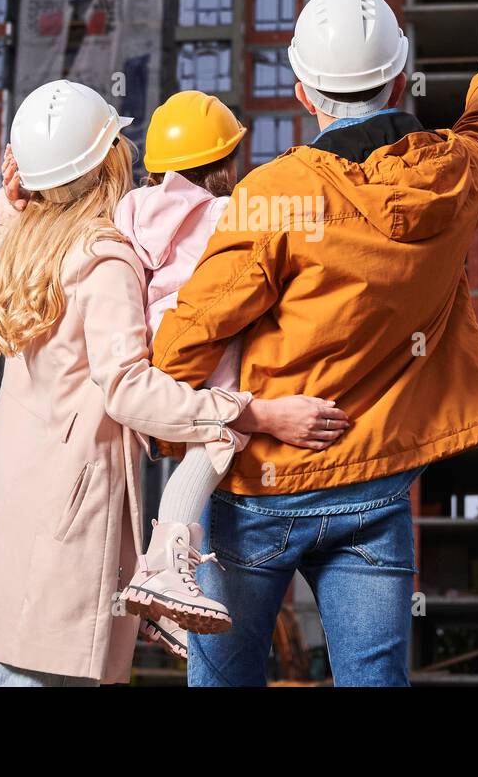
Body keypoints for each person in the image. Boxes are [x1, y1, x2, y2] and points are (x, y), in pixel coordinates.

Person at [151, 0, 478, 686]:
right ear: (396, 77)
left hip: (261, 485)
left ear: (303, 91)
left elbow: (192, 335)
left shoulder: (274, 194)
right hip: (376, 487)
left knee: (224, 679)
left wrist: (176, 422)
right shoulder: (453, 178)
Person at [0, 79, 348, 687]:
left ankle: (157, 580)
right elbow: (128, 390)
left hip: (16, 498)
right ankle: (162, 573)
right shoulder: (106, 261)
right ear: (112, 159)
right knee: (43, 671)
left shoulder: (25, 238)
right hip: (70, 514)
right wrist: (253, 415)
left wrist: (16, 194)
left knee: (20, 662)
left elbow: (14, 214)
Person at [111, 90, 350, 659]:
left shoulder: (129, 211)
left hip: (155, 350)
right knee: (222, 435)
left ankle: (166, 602)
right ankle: (167, 566)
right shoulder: (226, 211)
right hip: (204, 336)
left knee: (202, 441)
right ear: (223, 162)